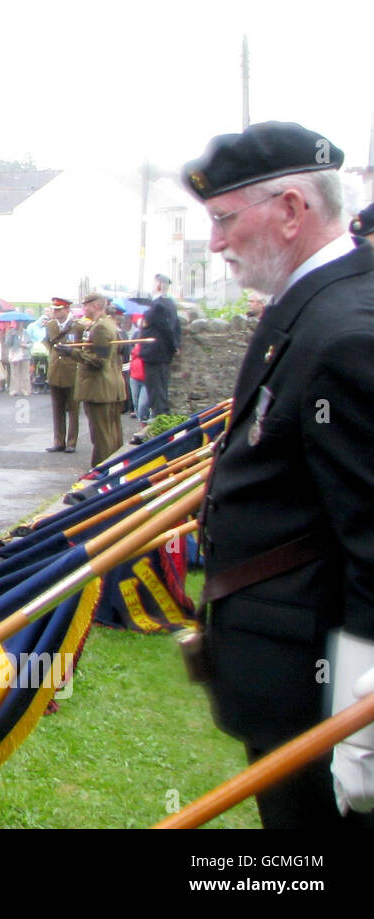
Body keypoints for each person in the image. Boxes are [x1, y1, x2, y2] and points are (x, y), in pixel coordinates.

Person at [184, 121, 374, 827]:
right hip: (286, 680)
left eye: (225, 218)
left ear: (291, 210)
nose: (216, 242)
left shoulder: (346, 332)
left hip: (318, 695)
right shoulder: (312, 307)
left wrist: (362, 720)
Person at [56, 291, 125, 466]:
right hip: (108, 387)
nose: (84, 308)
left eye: (86, 305)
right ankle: (112, 471)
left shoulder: (100, 327)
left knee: (102, 437)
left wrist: (73, 353)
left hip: (99, 388)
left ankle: (102, 473)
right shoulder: (106, 324)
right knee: (111, 434)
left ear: (95, 306)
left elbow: (99, 361)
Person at [42, 298, 83, 453]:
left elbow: (82, 348)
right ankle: (58, 441)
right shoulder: (51, 325)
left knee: (73, 409)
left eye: (59, 309)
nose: (56, 312)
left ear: (67, 310)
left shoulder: (78, 327)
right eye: (54, 309)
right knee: (57, 409)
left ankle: (71, 442)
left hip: (72, 370)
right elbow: (48, 344)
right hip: (55, 370)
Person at [139, 274, 179, 417]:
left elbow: (167, 328)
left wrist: (174, 346)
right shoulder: (171, 303)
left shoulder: (158, 305)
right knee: (158, 392)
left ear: (157, 285)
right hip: (161, 354)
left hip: (155, 354)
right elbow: (176, 327)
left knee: (157, 394)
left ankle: (160, 425)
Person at [4, 319, 31, 397]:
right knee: (14, 373)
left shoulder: (26, 333)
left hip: (25, 355)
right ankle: (14, 390)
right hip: (15, 355)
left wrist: (25, 345)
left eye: (21, 323)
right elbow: (7, 343)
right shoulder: (11, 332)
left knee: (25, 373)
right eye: (18, 323)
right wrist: (11, 336)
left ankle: (25, 390)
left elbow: (31, 343)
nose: (19, 325)